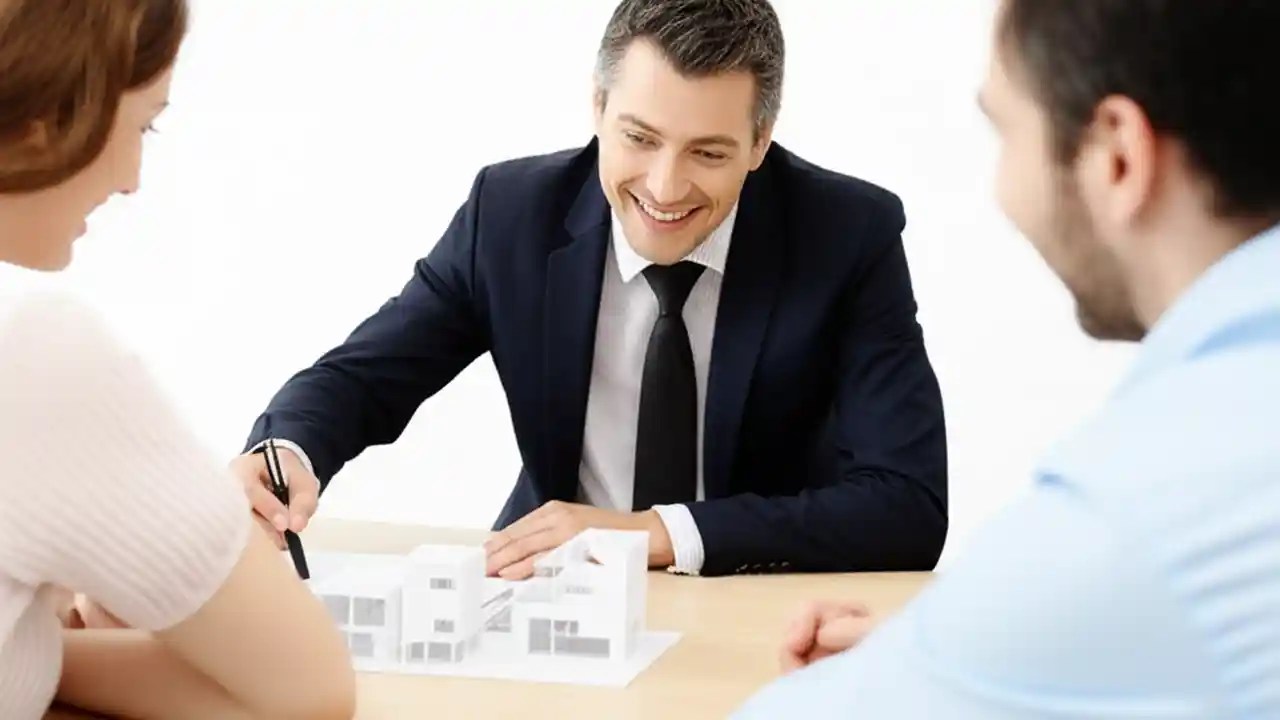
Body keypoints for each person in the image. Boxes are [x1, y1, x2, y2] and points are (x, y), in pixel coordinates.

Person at [231, 0, 948, 580]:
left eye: (707, 152)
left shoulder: (846, 235)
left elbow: (908, 505)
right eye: (639, 138)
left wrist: (653, 534)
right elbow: (363, 380)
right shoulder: (510, 216)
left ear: (760, 144)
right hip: (548, 590)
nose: (664, 187)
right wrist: (289, 451)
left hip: (756, 598)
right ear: (599, 106)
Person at [734, 1, 1280, 717]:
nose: (1002, 187)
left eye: (1005, 131)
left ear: (1118, 156)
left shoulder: (1140, 515)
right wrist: (980, 653)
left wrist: (970, 656)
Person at [0, 2, 356, 718]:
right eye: (143, 125)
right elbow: (314, 694)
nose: (132, 179)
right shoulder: (37, 356)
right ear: (49, 114)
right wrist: (44, 650)